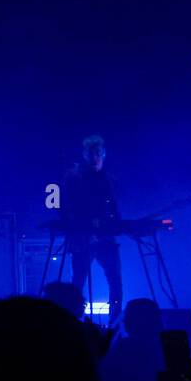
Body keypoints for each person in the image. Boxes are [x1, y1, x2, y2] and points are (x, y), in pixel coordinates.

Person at [61, 134, 123, 325]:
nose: (95, 156)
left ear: (104, 153)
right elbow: (66, 207)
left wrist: (117, 224)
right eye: (91, 153)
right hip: (82, 238)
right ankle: (74, 322)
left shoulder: (109, 179)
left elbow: (113, 207)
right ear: (85, 155)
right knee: (78, 282)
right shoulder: (73, 177)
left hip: (105, 239)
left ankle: (114, 321)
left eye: (98, 152)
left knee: (115, 280)